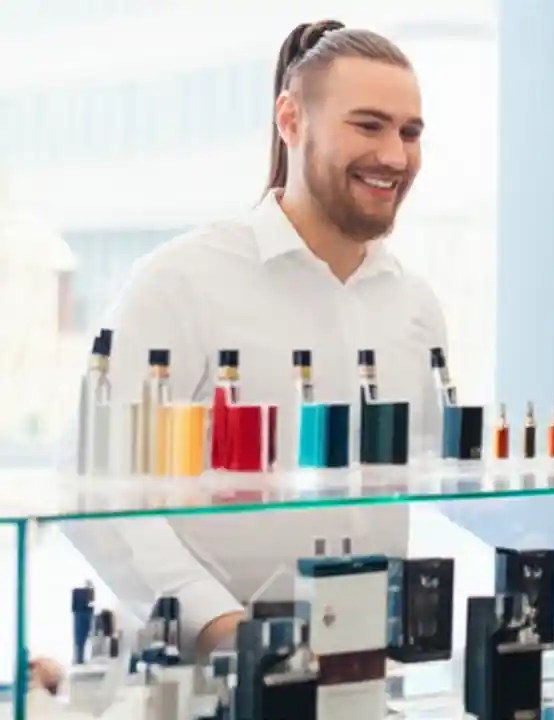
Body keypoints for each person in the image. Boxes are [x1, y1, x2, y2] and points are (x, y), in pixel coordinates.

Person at [62, 20, 449, 658]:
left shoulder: (415, 305)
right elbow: (90, 480)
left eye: (410, 133)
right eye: (369, 125)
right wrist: (220, 627)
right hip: (209, 679)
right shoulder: (182, 280)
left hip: (362, 669)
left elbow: (438, 472)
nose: (395, 156)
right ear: (291, 120)